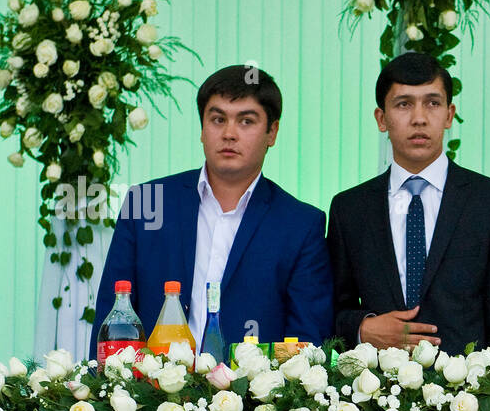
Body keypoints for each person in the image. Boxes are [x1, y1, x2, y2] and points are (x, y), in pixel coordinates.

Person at [90, 65, 333, 355]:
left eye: (246, 121)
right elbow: (113, 320)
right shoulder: (146, 203)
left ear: (272, 132)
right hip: (150, 394)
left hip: (252, 397)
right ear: (203, 129)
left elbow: (307, 342)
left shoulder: (300, 225)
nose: (229, 133)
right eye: (218, 119)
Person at [327, 52, 490, 354]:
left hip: (469, 393)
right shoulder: (349, 209)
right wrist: (362, 328)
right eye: (404, 104)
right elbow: (331, 309)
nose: (419, 118)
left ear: (449, 115)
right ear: (382, 118)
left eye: (432, 103)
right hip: (373, 393)